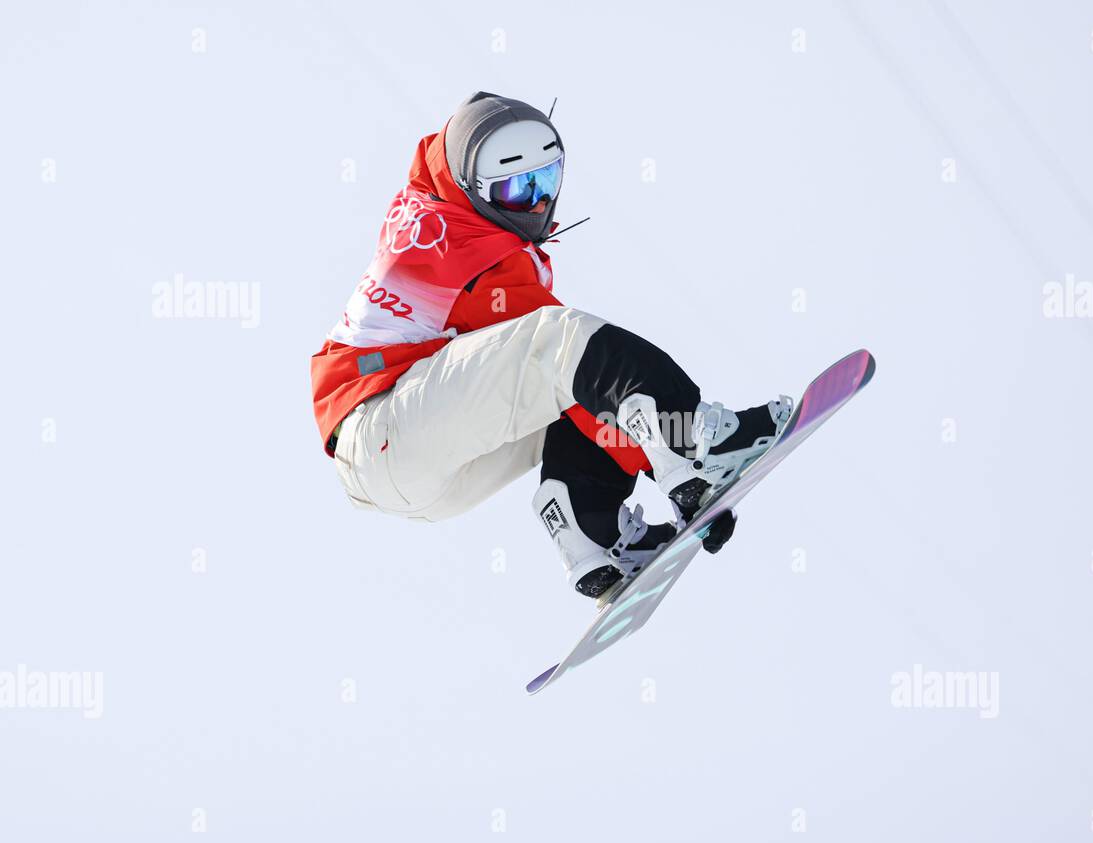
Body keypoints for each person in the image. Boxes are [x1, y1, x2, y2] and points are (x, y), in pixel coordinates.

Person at [310, 92, 790, 597]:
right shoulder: (467, 250)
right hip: (384, 424)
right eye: (518, 188)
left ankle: (589, 531)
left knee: (575, 382)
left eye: (547, 180)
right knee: (563, 342)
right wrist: (681, 466)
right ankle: (696, 435)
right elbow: (560, 351)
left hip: (415, 463)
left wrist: (685, 486)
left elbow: (577, 390)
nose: (538, 202)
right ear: (475, 189)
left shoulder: (445, 207)